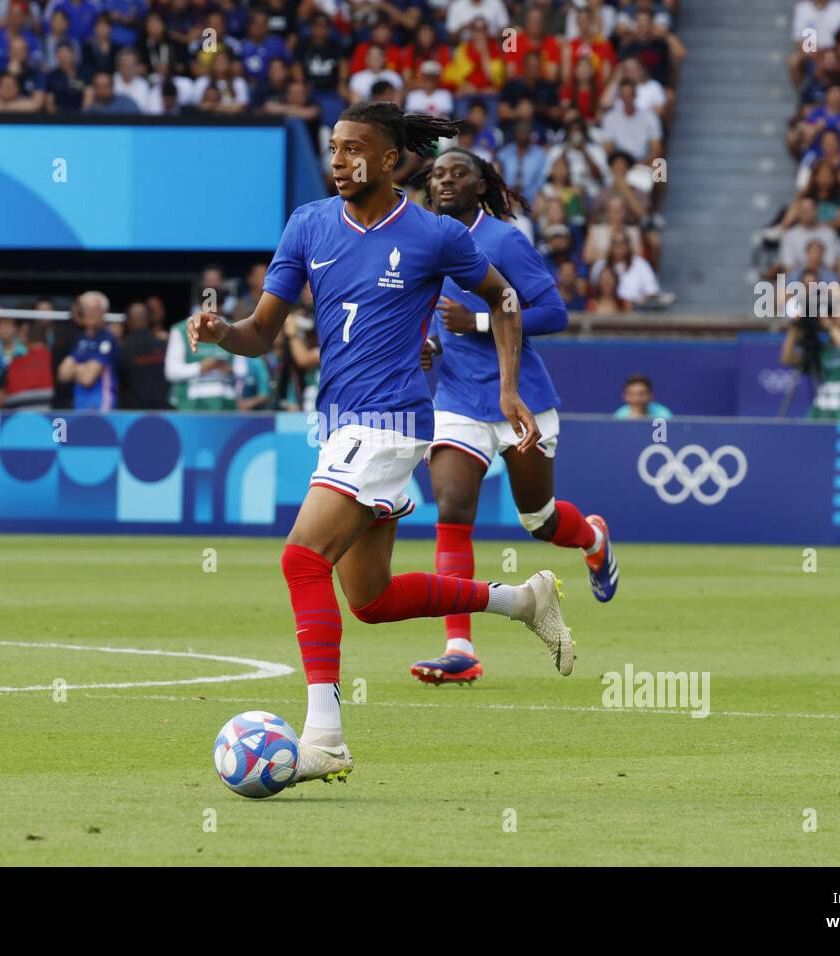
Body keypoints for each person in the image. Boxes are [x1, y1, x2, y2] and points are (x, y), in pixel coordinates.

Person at [186, 104, 571, 785]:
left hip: (392, 422)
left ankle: (324, 738)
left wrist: (510, 391)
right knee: (368, 597)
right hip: (340, 425)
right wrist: (223, 333)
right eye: (334, 148)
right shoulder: (308, 225)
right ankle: (521, 600)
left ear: (391, 161)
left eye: (354, 149)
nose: (338, 160)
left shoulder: (432, 235)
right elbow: (261, 333)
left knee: (302, 560)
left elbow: (506, 300)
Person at [408, 147, 619, 687]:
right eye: (437, 174)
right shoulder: (425, 242)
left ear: (482, 186)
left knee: (539, 520)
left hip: (520, 397)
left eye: (459, 173)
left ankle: (592, 538)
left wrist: (479, 320)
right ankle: (459, 647)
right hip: (456, 399)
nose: (446, 180)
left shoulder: (504, 240)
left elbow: (555, 314)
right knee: (453, 510)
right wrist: (428, 343)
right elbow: (431, 316)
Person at [780, 271, 840, 420]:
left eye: (837, 311)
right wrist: (795, 327)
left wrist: (827, 324)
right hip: (824, 416)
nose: (833, 315)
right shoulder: (822, 349)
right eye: (831, 311)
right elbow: (787, 358)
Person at [57, 291, 117, 410]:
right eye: (86, 309)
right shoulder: (81, 339)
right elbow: (62, 374)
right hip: (80, 408)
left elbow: (88, 379)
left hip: (102, 408)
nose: (90, 313)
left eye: (94, 309)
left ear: (104, 312)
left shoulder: (107, 338)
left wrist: (76, 368)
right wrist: (83, 368)